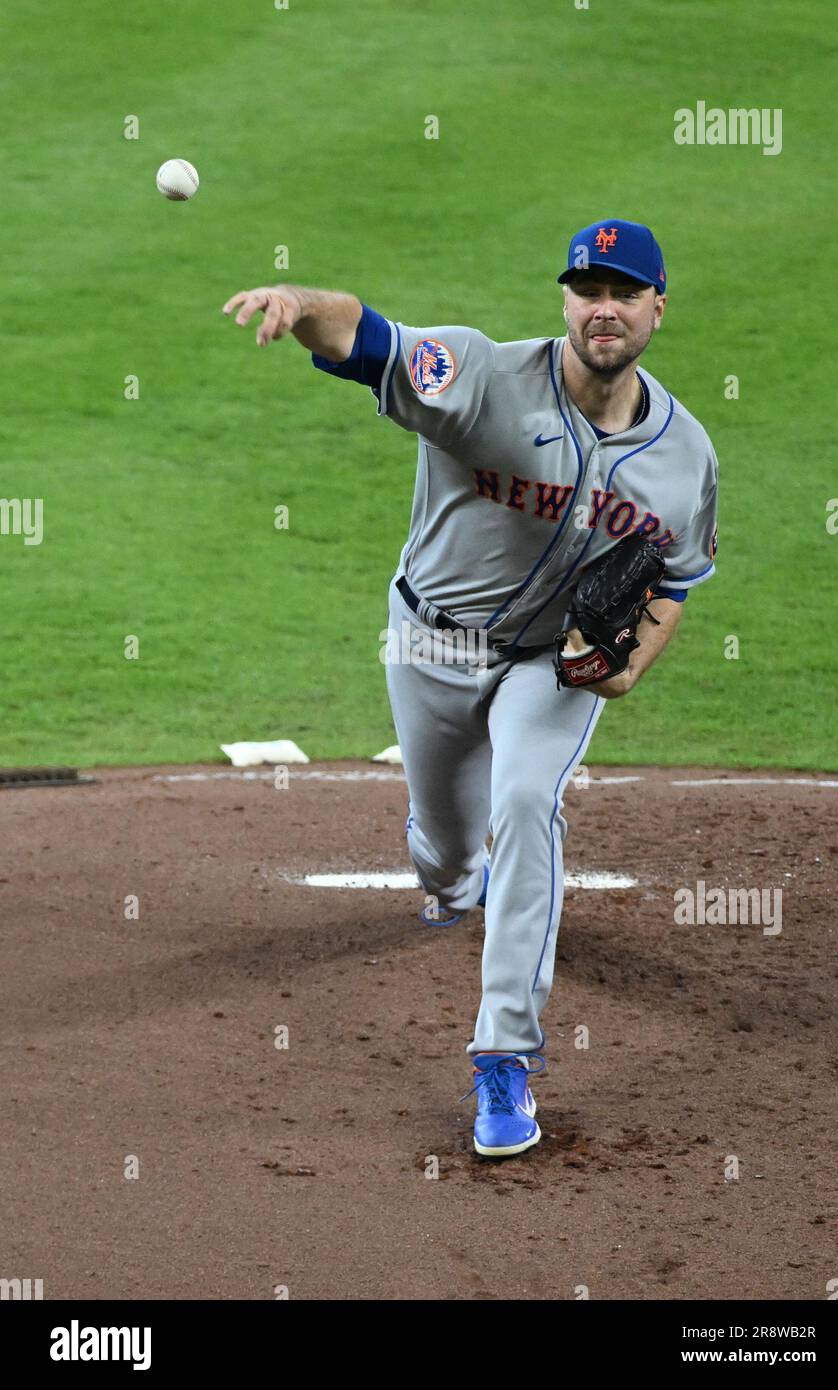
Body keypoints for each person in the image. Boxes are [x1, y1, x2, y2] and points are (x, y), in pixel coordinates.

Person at [223, 218, 719, 1159]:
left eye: (622, 291)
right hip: (431, 648)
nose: (602, 308)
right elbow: (365, 337)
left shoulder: (684, 455)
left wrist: (622, 667)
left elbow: (675, 585)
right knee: (448, 857)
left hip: (550, 662)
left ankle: (503, 1058)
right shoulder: (481, 377)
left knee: (529, 799)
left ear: (658, 304)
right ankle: (451, 870)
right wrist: (299, 310)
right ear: (565, 300)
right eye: (586, 289)